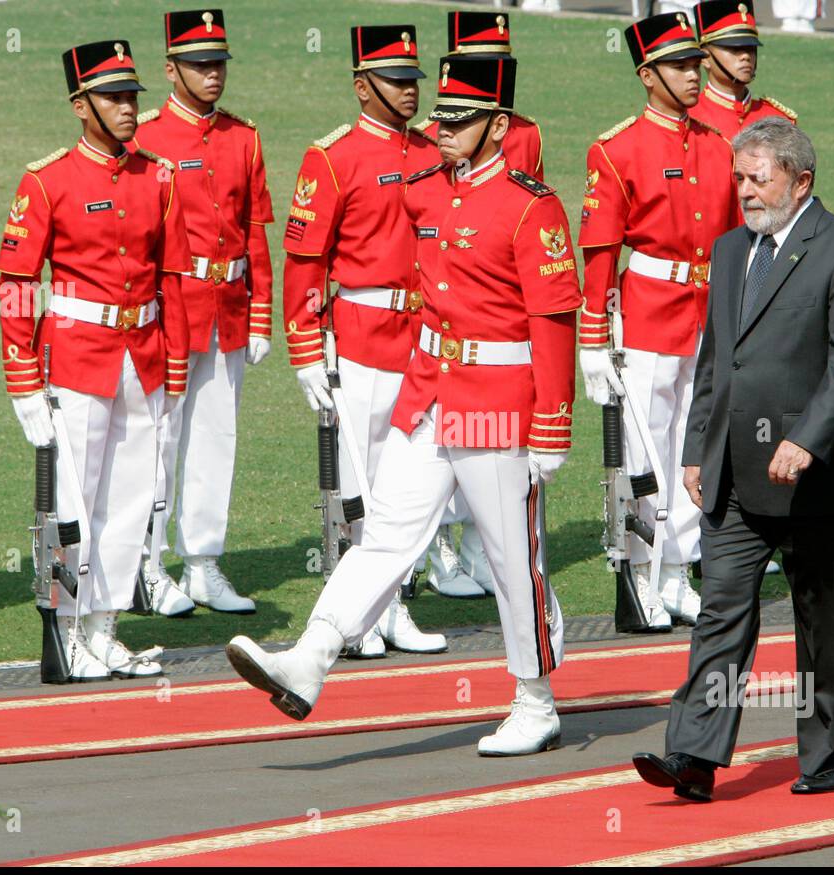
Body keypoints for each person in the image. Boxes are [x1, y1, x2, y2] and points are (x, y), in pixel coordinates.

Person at [228, 53, 581, 757]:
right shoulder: (426, 192)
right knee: (386, 531)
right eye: (441, 118)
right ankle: (313, 655)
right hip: (431, 394)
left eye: (460, 120)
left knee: (514, 558)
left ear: (498, 126)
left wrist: (552, 421)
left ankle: (534, 699)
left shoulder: (529, 205)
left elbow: (553, 320)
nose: (442, 129)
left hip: (495, 403)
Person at [633, 118, 834, 801]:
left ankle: (824, 753)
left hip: (816, 480)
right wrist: (694, 449)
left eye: (757, 177)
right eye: (738, 176)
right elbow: (716, 360)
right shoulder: (727, 251)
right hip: (736, 475)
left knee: (825, 625)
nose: (742, 190)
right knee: (721, 612)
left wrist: (807, 437)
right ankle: (693, 755)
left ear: (801, 181)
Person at [0, 40, 190, 679]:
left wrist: (178, 362)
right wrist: (23, 381)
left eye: (133, 96)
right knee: (76, 502)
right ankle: (68, 628)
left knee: (133, 498)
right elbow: (17, 281)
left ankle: (103, 629)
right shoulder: (47, 179)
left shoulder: (158, 176)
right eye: (113, 97)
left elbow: (175, 276)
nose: (129, 108)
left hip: (145, 354)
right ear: (81, 105)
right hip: (77, 357)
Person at [281, 24, 446, 656]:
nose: (409, 91)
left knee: (407, 482)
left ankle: (393, 605)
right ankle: (355, 619)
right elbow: (305, 262)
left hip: (423, 335)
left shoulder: (433, 148)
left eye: (413, 80)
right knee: (361, 480)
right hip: (360, 331)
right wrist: (305, 348)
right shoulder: (334, 156)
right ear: (362, 86)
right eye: (396, 81)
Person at [577, 11, 741, 627]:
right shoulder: (617, 149)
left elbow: (732, 242)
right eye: (679, 66)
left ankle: (676, 571)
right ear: (648, 75)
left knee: (695, 446)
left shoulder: (718, 146)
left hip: (705, 313)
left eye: (698, 63)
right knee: (646, 447)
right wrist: (594, 340)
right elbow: (599, 251)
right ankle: (640, 571)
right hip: (646, 311)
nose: (695, 74)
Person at [131, 8, 274, 615]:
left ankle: (203, 563)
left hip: (230, 309)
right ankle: (145, 561)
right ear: (170, 69)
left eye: (218, 63)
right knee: (159, 441)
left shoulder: (243, 137)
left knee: (218, 436)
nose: (213, 74)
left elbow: (256, 229)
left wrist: (263, 310)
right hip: (173, 311)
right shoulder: (144, 136)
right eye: (198, 64)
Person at [413, 10, 547, 600]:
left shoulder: (525, 142)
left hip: (495, 361)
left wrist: (553, 419)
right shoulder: (436, 147)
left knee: (508, 534)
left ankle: (477, 558)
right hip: (438, 357)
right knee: (401, 517)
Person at [689, 1, 799, 143]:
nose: (746, 56)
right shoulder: (689, 117)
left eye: (750, 48)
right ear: (705, 57)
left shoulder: (779, 121)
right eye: (734, 49)